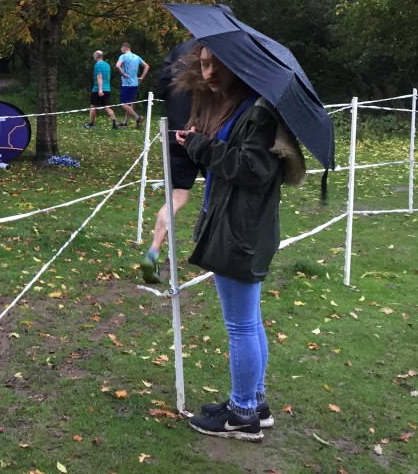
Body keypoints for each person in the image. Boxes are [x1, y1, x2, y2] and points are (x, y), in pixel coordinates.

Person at [173, 44, 305, 441]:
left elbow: (251, 170)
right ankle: (254, 403)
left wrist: (199, 146)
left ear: (240, 65)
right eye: (204, 64)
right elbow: (234, 159)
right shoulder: (245, 108)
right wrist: (200, 141)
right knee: (248, 321)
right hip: (239, 225)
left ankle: (243, 414)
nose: (209, 72)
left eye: (218, 64)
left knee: (241, 325)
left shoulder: (258, 113)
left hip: (239, 230)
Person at [141, 39, 201, 284]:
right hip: (206, 133)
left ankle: (153, 250)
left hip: (174, 133)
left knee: (176, 196)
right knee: (220, 192)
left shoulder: (178, 51)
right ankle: (213, 247)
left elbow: (162, 87)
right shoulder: (217, 48)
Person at [115, 42, 150, 128]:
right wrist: (142, 77)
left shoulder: (123, 56)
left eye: (121, 47)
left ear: (125, 48)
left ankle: (137, 117)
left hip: (127, 84)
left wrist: (123, 74)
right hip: (135, 83)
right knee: (130, 103)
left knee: (123, 103)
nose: (120, 49)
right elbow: (147, 66)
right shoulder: (137, 57)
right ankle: (125, 122)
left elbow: (117, 66)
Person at [84, 50, 118, 129]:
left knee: (93, 106)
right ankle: (114, 121)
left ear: (96, 56)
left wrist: (100, 89)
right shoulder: (107, 65)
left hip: (98, 89)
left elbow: (99, 76)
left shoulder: (97, 65)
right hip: (107, 88)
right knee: (107, 107)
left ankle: (91, 124)